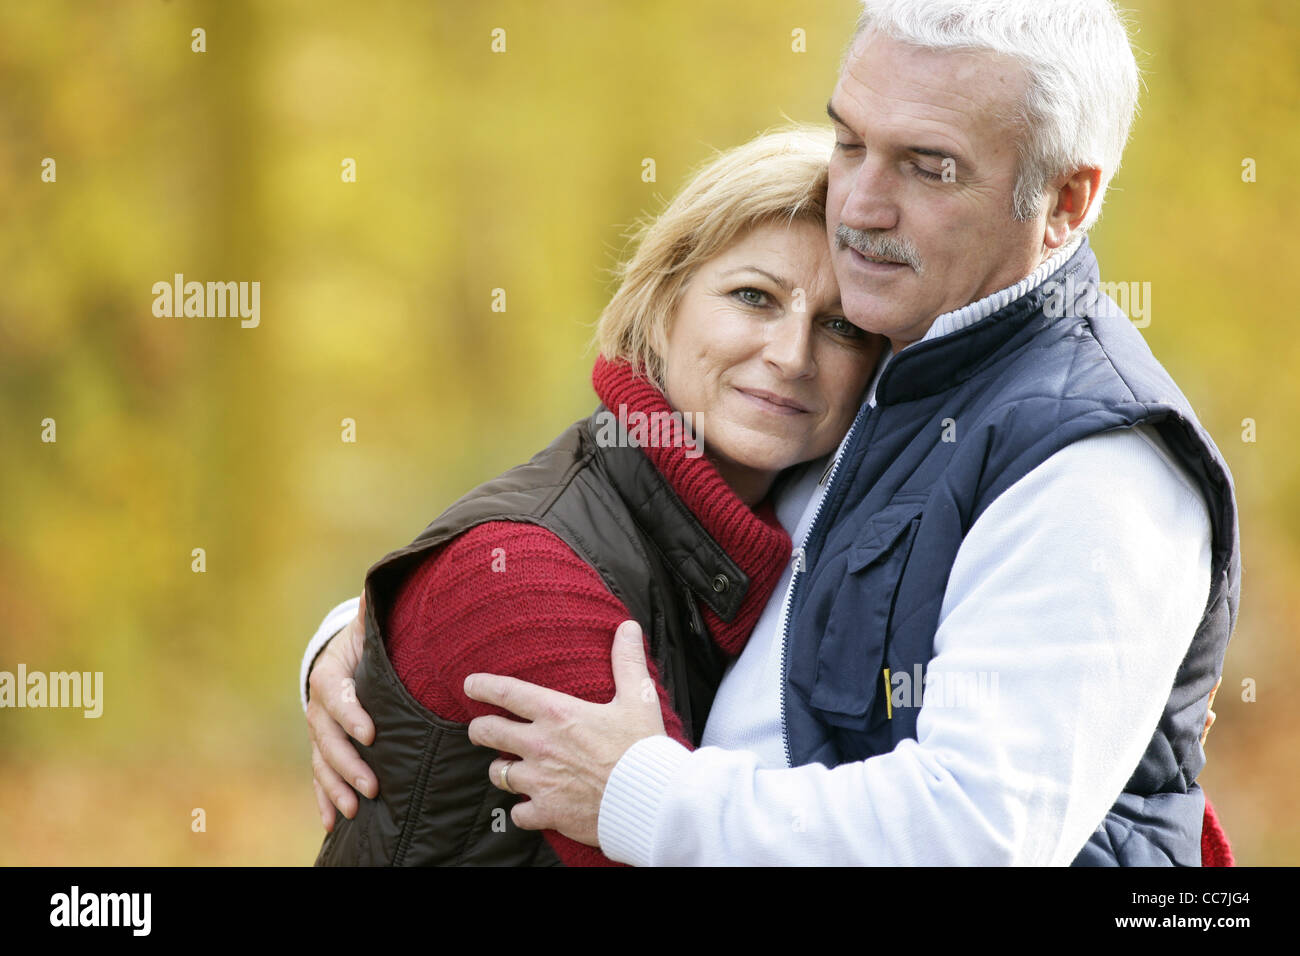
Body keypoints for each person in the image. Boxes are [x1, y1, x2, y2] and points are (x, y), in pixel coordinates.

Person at [308, 0, 1241, 866]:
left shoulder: (1096, 465)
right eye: (849, 143)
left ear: (1067, 202)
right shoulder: (892, 390)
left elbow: (975, 830)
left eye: (928, 165)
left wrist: (643, 795)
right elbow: (684, 568)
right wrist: (387, 625)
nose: (861, 207)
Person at [307, 127, 883, 865]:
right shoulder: (527, 574)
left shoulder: (775, 545)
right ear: (664, 301)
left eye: (840, 327)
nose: (791, 354)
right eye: (753, 297)